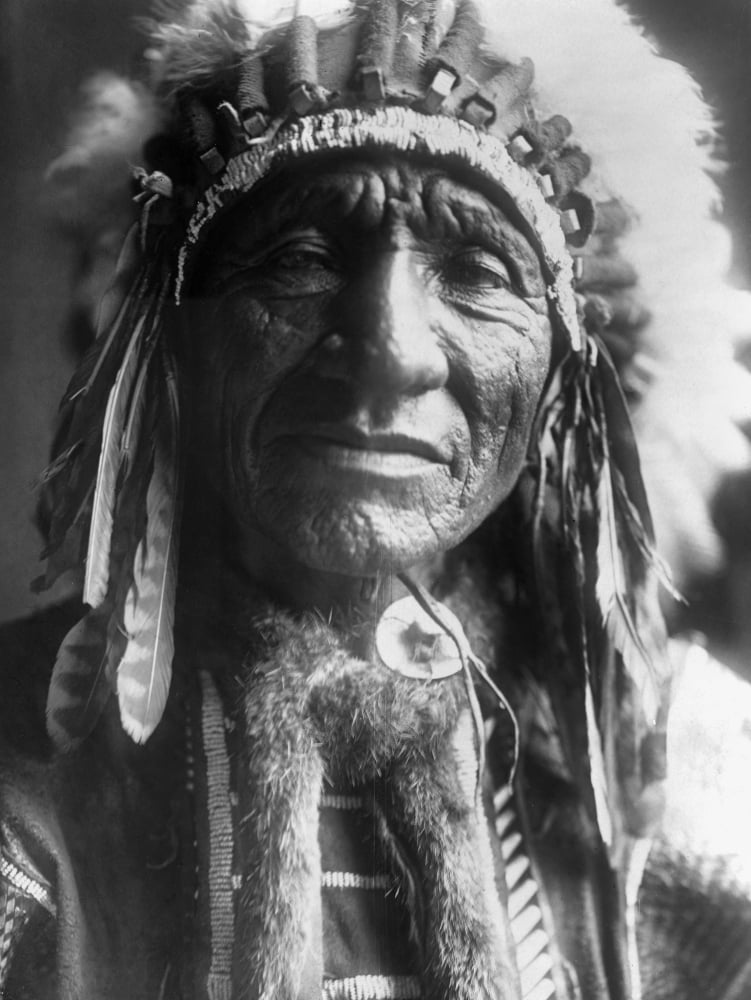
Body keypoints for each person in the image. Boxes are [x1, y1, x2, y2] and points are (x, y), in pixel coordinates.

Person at [2, 0, 751, 998]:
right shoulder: (24, 785)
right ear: (176, 338)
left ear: (564, 378)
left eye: (478, 271)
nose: (391, 353)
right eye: (302, 259)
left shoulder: (671, 774)